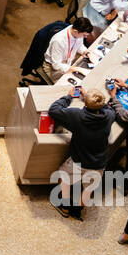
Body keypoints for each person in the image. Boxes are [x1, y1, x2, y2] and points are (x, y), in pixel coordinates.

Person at [48, 86, 115, 220]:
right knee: (89, 188)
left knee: (64, 176)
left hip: (78, 161)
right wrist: (90, 98)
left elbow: (53, 110)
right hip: (99, 164)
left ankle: (65, 207)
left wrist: (69, 96)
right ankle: (78, 209)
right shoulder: (109, 116)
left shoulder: (77, 116)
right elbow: (109, 109)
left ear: (86, 104)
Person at [40, 18, 97, 84]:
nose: (85, 37)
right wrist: (78, 69)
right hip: (52, 68)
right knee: (70, 86)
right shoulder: (58, 41)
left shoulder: (76, 31)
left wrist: (87, 52)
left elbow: (79, 45)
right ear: (76, 31)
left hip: (67, 62)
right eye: (84, 35)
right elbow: (56, 65)